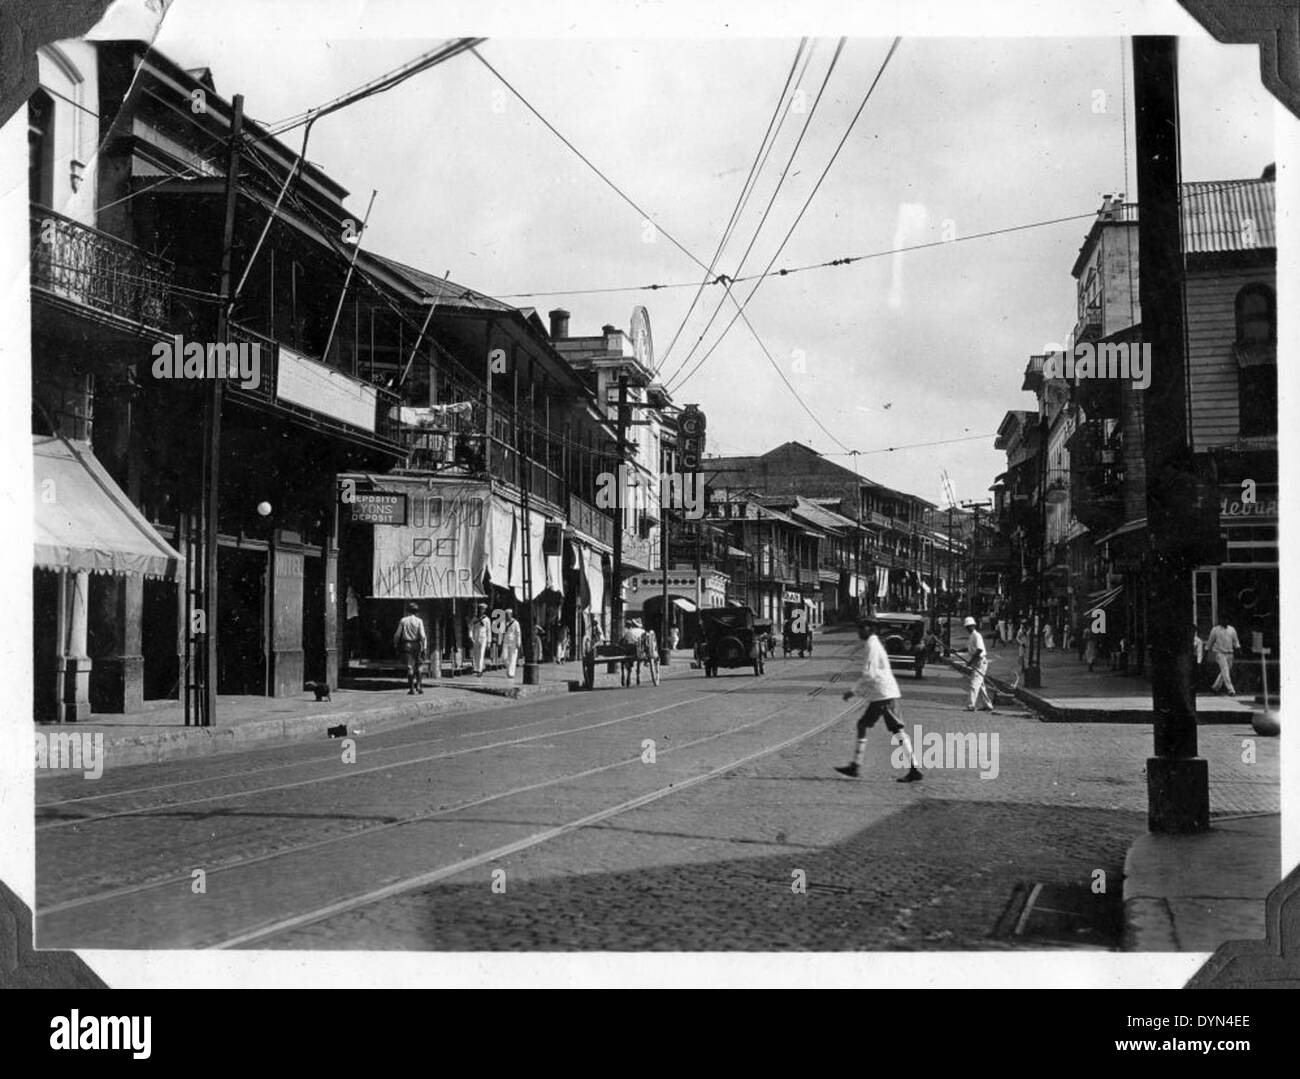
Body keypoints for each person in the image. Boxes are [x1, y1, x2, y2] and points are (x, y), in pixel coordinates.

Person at [835, 611, 922, 782]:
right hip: (884, 693)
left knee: (885, 728)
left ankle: (913, 767)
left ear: (871, 629)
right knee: (889, 729)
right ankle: (913, 767)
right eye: (859, 627)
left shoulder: (872, 645)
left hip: (883, 694)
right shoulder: (872, 643)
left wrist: (853, 691)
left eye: (863, 627)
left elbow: (869, 673)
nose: (859, 631)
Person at [962, 615, 997, 713]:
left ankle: (971, 705)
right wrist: (956, 650)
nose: (968, 628)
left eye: (969, 626)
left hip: (980, 661)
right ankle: (988, 705)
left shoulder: (977, 636)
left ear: (973, 626)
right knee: (980, 685)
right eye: (967, 627)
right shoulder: (971, 636)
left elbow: (979, 650)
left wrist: (971, 660)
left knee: (974, 684)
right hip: (977, 661)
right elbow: (969, 648)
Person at [392, 602, 427, 695]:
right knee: (419, 665)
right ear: (417, 611)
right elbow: (423, 636)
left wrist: (395, 644)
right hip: (417, 644)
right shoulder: (419, 621)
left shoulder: (403, 620)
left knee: (409, 666)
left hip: (407, 644)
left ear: (408, 611)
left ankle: (411, 688)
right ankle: (419, 686)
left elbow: (397, 634)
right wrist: (424, 647)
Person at [1206, 614, 1241, 696]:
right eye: (1223, 619)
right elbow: (1210, 642)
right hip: (1220, 653)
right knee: (1225, 672)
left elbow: (1236, 641)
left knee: (1224, 672)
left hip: (1230, 653)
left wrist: (1238, 649)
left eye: (1226, 619)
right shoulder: (1215, 630)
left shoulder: (1232, 629)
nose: (1225, 621)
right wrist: (1207, 651)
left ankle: (1215, 687)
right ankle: (1231, 690)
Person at [468, 602, 491, 675]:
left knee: (481, 654)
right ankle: (476, 668)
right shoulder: (475, 618)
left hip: (483, 638)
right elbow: (471, 627)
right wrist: (471, 636)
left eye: (483, 609)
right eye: (481, 609)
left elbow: (488, 630)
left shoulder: (487, 619)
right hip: (475, 637)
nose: (482, 610)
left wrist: (489, 641)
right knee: (476, 654)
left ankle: (479, 670)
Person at [501, 609, 522, 679]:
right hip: (505, 641)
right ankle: (509, 669)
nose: (506, 616)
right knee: (504, 657)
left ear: (511, 614)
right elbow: (501, 633)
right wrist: (500, 641)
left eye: (508, 614)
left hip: (513, 642)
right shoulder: (503, 623)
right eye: (505, 615)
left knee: (513, 658)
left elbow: (518, 633)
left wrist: (518, 643)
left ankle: (511, 673)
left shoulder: (516, 623)